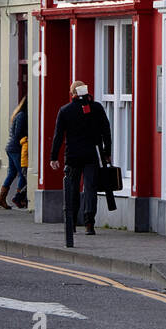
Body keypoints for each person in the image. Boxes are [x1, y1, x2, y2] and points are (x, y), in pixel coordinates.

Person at [49, 80, 111, 246]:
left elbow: (58, 135)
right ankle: (89, 223)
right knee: (90, 188)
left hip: (73, 155)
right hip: (92, 154)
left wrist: (53, 157)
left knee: (72, 188)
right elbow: (106, 131)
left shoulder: (65, 110)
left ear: (72, 94)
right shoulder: (96, 108)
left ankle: (72, 222)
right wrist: (107, 153)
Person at [0, 96, 28, 210]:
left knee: (12, 173)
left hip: (11, 148)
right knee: (22, 174)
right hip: (16, 148)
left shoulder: (18, 114)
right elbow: (18, 133)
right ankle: (18, 198)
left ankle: (1, 198)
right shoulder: (22, 116)